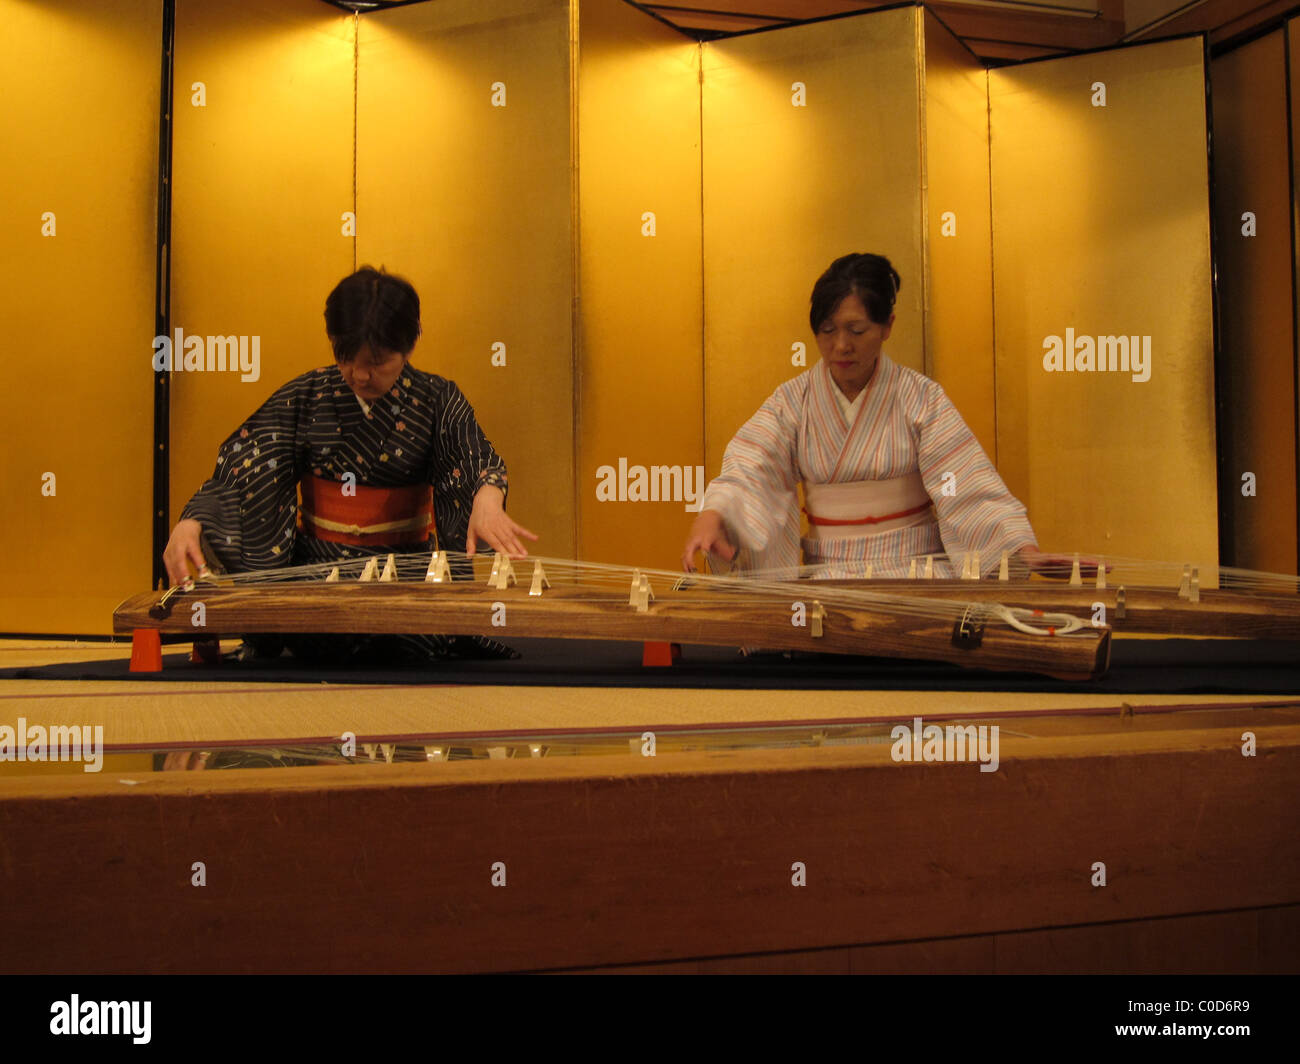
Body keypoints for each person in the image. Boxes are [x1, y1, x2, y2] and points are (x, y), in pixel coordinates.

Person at [162, 266, 536, 661]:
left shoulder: (437, 398)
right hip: (314, 574)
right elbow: (244, 468)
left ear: (411, 344)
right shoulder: (305, 396)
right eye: (344, 357)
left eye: (377, 361)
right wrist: (193, 521)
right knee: (302, 617)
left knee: (411, 634)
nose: (358, 375)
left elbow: (474, 457)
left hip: (403, 574)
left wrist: (487, 499)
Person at [682, 252, 1057, 579]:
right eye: (827, 331)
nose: (841, 345)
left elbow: (966, 487)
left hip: (918, 577)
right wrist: (716, 513)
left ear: (887, 326)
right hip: (827, 580)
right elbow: (750, 471)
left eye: (856, 330)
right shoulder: (792, 402)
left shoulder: (921, 399)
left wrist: (1021, 552)